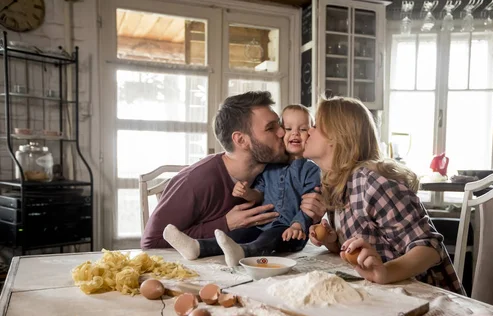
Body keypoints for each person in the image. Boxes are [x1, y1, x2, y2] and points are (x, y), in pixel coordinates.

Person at [304, 96, 464, 294]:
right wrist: (331, 240)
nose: (308, 131)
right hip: (385, 294)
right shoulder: (335, 183)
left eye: (316, 126)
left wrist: (386, 272)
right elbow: (363, 249)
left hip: (426, 297)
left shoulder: (372, 182)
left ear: (336, 137)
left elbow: (429, 249)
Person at [140, 92, 326, 249]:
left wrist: (312, 215)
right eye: (271, 128)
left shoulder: (284, 168)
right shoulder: (197, 181)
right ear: (241, 140)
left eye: (279, 125)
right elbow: (151, 243)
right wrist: (226, 224)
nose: (282, 133)